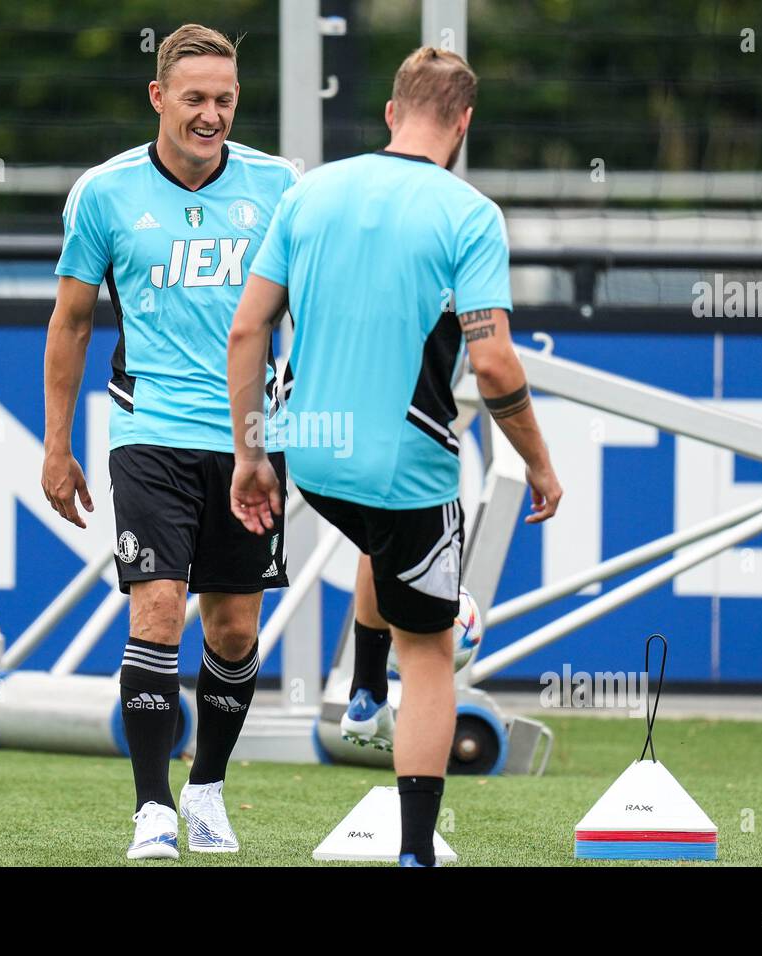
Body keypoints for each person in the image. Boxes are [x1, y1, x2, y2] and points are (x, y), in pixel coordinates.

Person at [227, 46, 562, 866]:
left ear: (390, 111)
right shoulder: (470, 214)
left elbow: (246, 329)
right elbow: (494, 365)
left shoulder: (309, 192)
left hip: (310, 449)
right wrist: (542, 465)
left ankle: (364, 690)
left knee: (385, 539)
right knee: (435, 651)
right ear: (465, 123)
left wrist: (252, 453)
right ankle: (415, 850)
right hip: (405, 461)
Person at [41, 23, 297, 860]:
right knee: (157, 609)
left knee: (233, 631)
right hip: (149, 433)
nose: (212, 114)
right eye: (196, 99)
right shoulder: (105, 194)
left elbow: (315, 308)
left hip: (251, 441)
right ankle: (152, 809)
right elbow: (73, 323)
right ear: (159, 97)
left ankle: (208, 789)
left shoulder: (281, 187)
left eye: (225, 99)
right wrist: (57, 444)